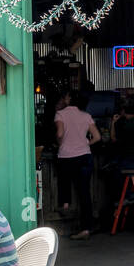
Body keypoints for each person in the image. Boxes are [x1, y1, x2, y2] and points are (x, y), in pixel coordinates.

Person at [55, 92, 101, 241]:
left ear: (68, 99)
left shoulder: (60, 114)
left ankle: (65, 207)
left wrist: (60, 143)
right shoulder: (86, 116)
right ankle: (86, 229)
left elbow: (60, 133)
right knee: (84, 193)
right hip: (84, 157)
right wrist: (85, 143)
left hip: (66, 157)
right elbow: (98, 137)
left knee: (64, 184)